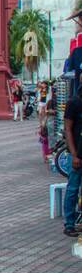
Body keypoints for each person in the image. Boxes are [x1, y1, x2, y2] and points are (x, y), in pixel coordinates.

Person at [64, 84, 82, 238]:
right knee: (73, 189)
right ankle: (69, 224)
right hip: (76, 154)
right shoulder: (74, 102)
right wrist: (74, 154)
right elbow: (68, 129)